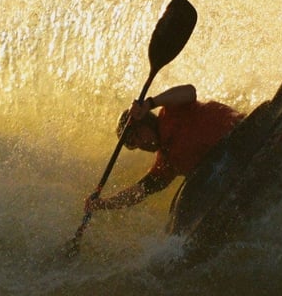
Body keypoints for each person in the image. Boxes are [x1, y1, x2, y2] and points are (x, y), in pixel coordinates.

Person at [85, 84, 244, 212]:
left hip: (240, 133)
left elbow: (189, 91)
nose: (141, 144)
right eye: (134, 144)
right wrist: (103, 204)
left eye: (138, 135)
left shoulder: (171, 112)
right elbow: (139, 191)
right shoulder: (166, 164)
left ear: (146, 121)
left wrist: (149, 104)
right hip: (230, 167)